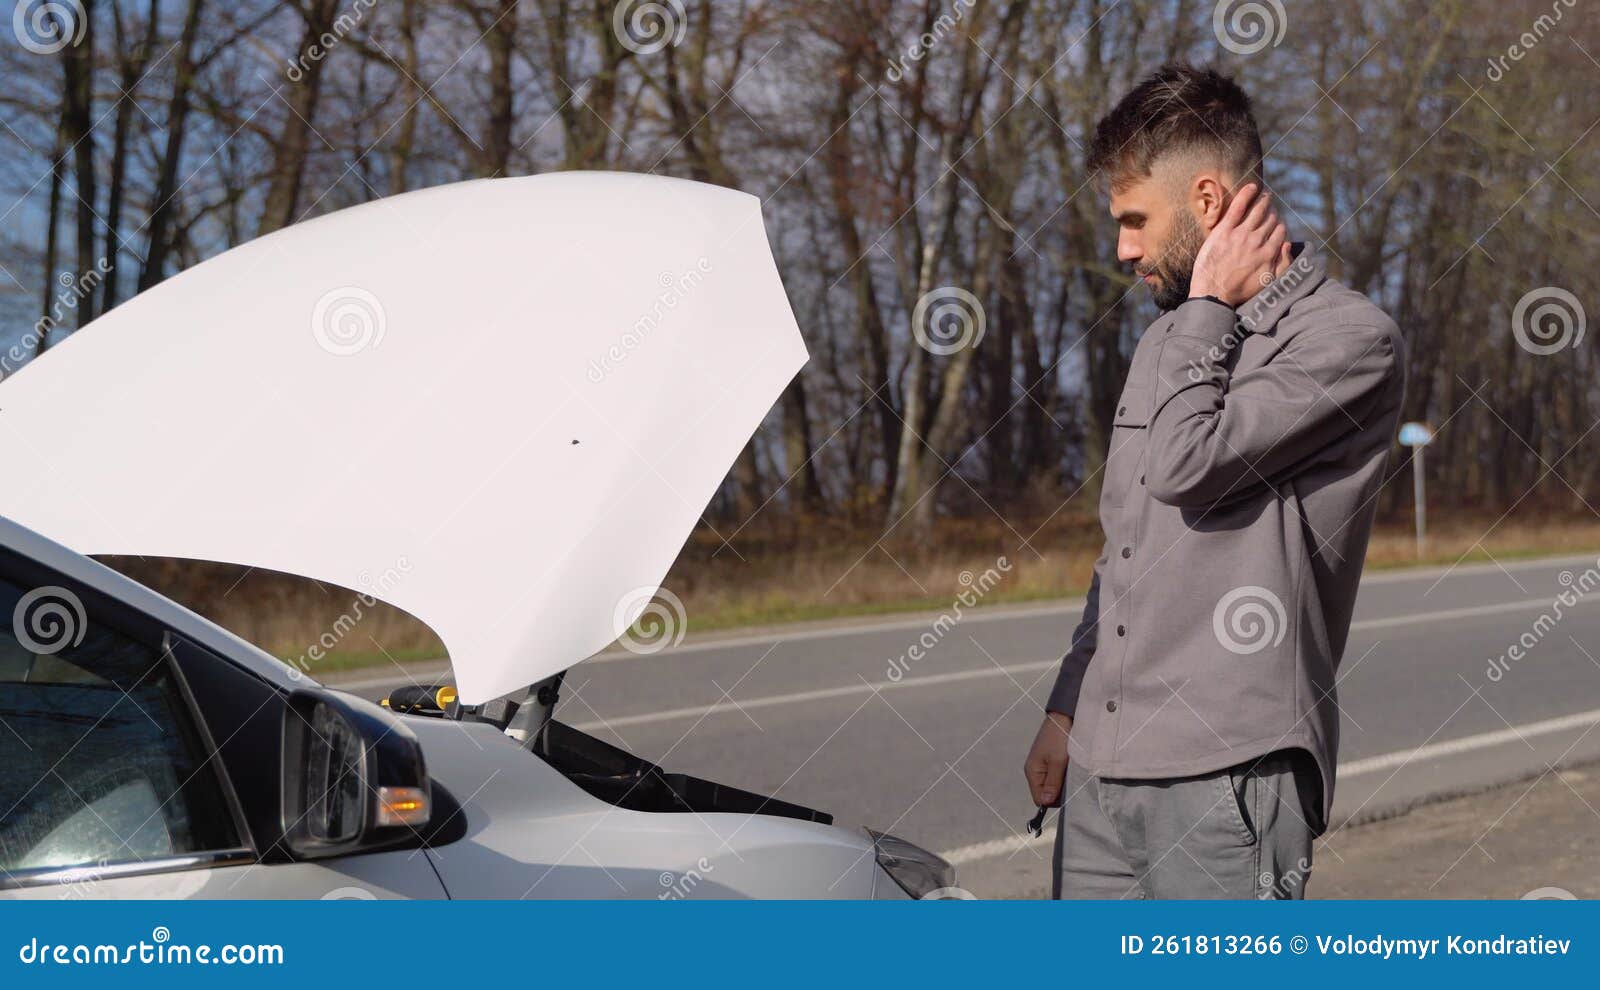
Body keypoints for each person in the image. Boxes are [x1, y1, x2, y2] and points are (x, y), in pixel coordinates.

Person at [1021, 63, 1407, 899]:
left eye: (1135, 220)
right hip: (1100, 773)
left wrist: (1206, 311)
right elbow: (1124, 548)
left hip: (1228, 773)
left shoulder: (1347, 339)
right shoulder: (1169, 342)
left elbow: (1187, 467)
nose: (1123, 249)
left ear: (1207, 201)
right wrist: (1065, 708)